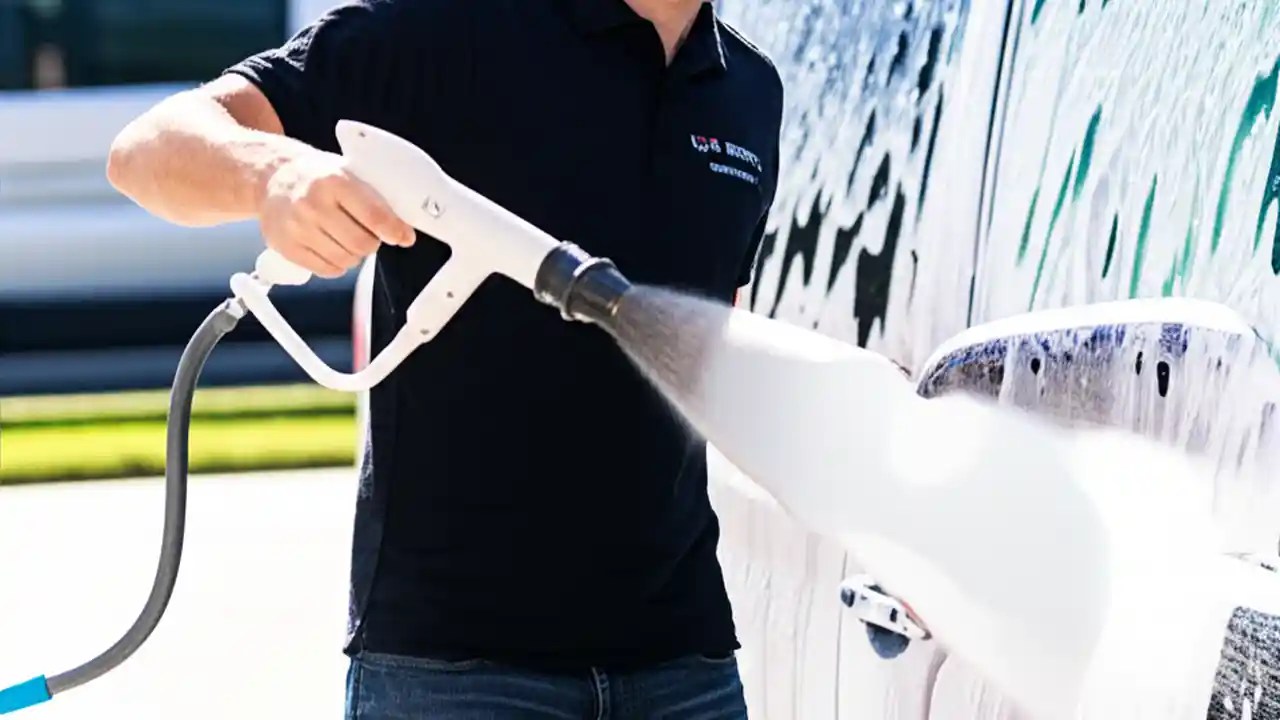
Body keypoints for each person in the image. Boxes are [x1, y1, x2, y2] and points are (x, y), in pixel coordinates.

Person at [105, 0, 783, 717]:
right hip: (457, 671)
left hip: (683, 665)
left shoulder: (747, 90)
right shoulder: (447, 30)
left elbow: (712, 356)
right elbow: (147, 148)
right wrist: (276, 174)